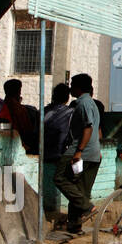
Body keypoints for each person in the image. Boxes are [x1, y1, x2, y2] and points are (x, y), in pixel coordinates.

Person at [55, 74, 101, 235]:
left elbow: (88, 128)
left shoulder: (83, 104)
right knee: (79, 190)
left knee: (60, 178)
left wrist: (79, 151)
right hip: (93, 153)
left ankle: (88, 207)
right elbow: (98, 131)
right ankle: (75, 225)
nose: (70, 89)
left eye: (73, 85)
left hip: (81, 152)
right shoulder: (92, 104)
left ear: (79, 87)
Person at [41, 83, 73, 224]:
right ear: (67, 97)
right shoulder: (70, 113)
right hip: (60, 154)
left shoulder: (44, 111)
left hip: (43, 153)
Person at [0, 79, 41, 156]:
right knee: (8, 166)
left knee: (6, 165)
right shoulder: (19, 109)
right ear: (17, 91)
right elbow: (26, 129)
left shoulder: (1, 106)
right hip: (17, 144)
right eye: (19, 90)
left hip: (4, 143)